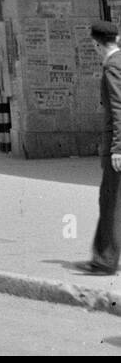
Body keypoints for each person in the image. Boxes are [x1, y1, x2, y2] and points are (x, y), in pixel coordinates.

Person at [71, 21, 121, 277]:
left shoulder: (112, 66)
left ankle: (105, 261)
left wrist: (117, 148)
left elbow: (118, 108)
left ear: (97, 45)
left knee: (110, 202)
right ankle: (103, 257)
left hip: (117, 148)